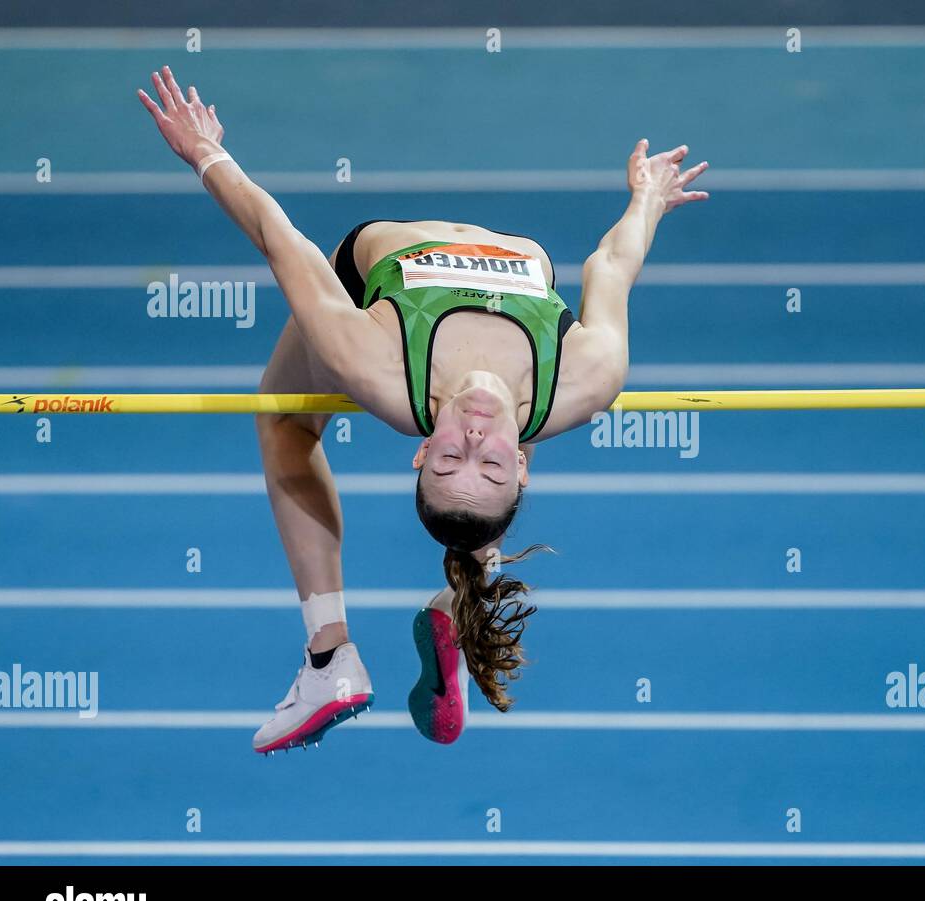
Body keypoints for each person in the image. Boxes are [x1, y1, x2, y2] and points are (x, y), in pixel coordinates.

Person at [137, 65, 709, 753]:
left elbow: (281, 240)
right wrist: (647, 200)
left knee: (283, 416)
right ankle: (461, 598)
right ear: (522, 463)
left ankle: (329, 656)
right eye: (491, 459)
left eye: (449, 455)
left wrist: (206, 153)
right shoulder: (588, 380)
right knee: (535, 411)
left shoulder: (374, 363)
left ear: (418, 448)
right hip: (533, 328)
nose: (473, 432)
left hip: (370, 274)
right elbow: (611, 268)